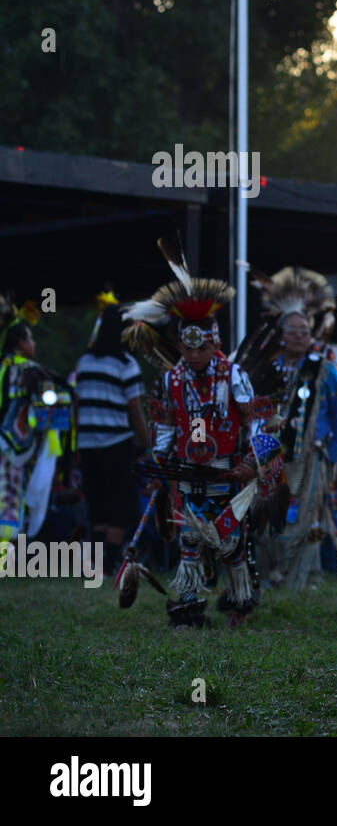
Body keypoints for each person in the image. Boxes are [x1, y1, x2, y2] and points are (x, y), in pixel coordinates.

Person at [122, 239, 283, 627]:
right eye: (187, 350)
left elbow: (257, 424)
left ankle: (239, 603)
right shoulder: (171, 381)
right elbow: (163, 432)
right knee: (190, 541)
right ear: (179, 345)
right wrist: (161, 467)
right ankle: (189, 608)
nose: (194, 356)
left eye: (202, 349)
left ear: (214, 344)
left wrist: (251, 462)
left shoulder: (234, 376)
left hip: (229, 472)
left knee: (231, 541)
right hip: (188, 475)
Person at [238, 267, 337, 592]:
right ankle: (265, 573)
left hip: (310, 457)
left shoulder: (324, 369)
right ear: (281, 334)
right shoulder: (264, 367)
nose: (301, 336)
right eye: (294, 331)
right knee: (264, 509)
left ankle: (302, 577)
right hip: (268, 456)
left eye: (305, 331)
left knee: (304, 515)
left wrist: (331, 454)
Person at [73, 293, 149, 577]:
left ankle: (95, 565)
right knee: (121, 505)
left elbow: (77, 407)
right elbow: (135, 411)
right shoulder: (126, 364)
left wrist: (77, 444)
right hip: (116, 444)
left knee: (98, 505)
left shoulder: (84, 362)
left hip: (88, 443)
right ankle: (107, 565)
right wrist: (148, 443)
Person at [1, 296, 71, 544]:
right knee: (8, 495)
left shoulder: (6, 368)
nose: (33, 343)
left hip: (10, 445)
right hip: (12, 447)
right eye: (29, 338)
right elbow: (61, 395)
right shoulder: (28, 369)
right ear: (20, 343)